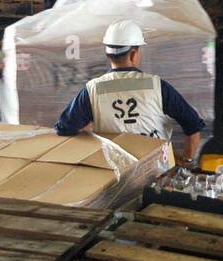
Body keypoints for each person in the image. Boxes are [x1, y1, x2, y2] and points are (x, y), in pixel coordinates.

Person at [54, 20, 206, 163]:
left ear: (108, 54)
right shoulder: (157, 86)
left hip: (113, 174)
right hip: (156, 171)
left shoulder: (92, 89)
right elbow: (193, 126)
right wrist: (187, 161)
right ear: (133, 54)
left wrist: (88, 132)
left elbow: (64, 128)